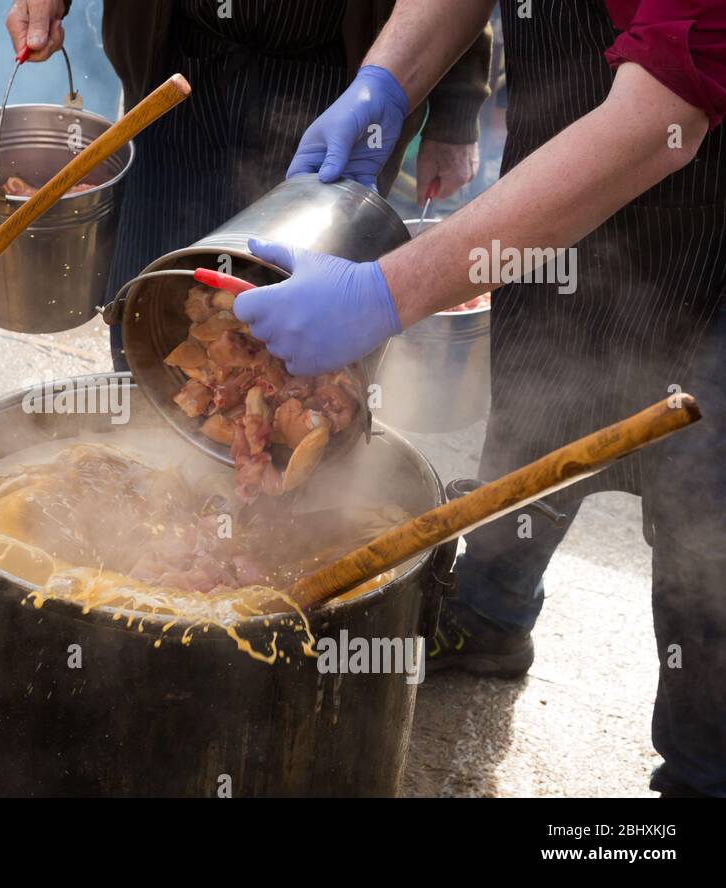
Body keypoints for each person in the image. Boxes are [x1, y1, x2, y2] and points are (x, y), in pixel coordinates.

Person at [242, 0, 726, 798]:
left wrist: (385, 294)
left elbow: (655, 119)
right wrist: (383, 82)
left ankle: (702, 775)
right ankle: (491, 617)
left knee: (706, 525)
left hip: (699, 210)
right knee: (539, 409)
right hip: (570, 182)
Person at [5, 0, 492, 369]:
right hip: (178, 62)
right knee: (146, 300)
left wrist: (455, 112)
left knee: (301, 323)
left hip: (336, 81)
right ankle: (145, 428)